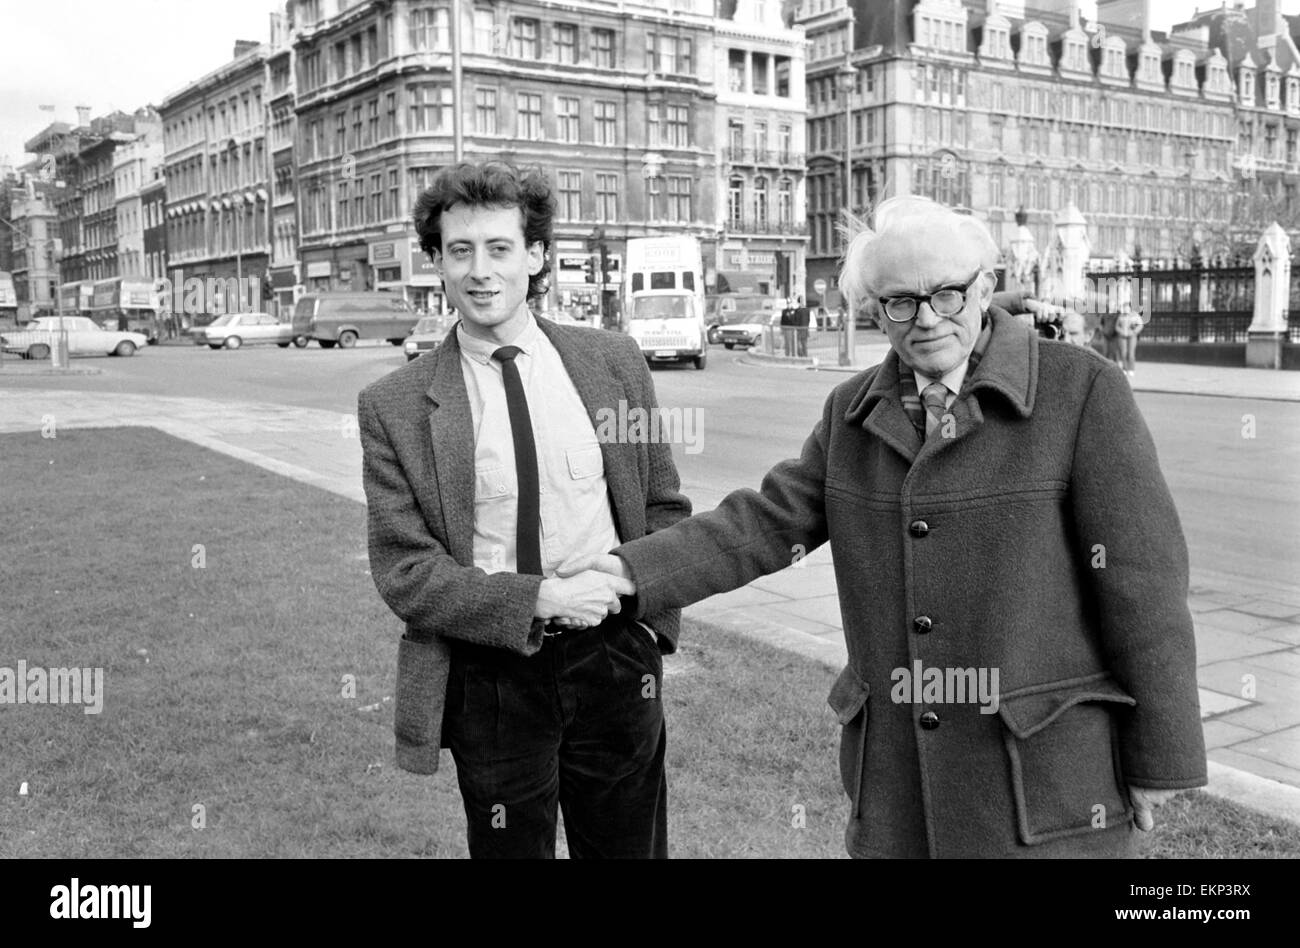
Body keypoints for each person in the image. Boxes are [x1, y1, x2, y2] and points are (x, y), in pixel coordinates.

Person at [566, 196, 1206, 859]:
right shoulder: (851, 412)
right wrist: (626, 572)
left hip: (1043, 785)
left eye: (948, 295)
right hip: (900, 791)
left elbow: (1143, 582)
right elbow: (762, 523)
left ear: (985, 286)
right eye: (900, 302)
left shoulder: (1082, 391)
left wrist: (1163, 757)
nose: (927, 320)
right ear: (874, 311)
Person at [357, 161, 691, 859]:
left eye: (501, 249)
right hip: (495, 675)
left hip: (614, 661)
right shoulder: (394, 405)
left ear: (536, 257)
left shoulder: (613, 363)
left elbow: (663, 506)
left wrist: (647, 628)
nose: (481, 271)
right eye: (460, 250)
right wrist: (538, 598)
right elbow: (407, 571)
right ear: (437, 264)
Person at [1115, 304, 1144, 378]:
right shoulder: (1121, 316)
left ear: (1130, 308)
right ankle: (1125, 368)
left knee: (1131, 353)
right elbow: (1117, 326)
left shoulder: (1135, 315)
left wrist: (1134, 332)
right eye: (1124, 308)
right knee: (1123, 353)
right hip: (1122, 337)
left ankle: (1131, 369)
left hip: (1132, 337)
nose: (1125, 309)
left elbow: (1140, 325)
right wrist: (1120, 331)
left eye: (1127, 308)